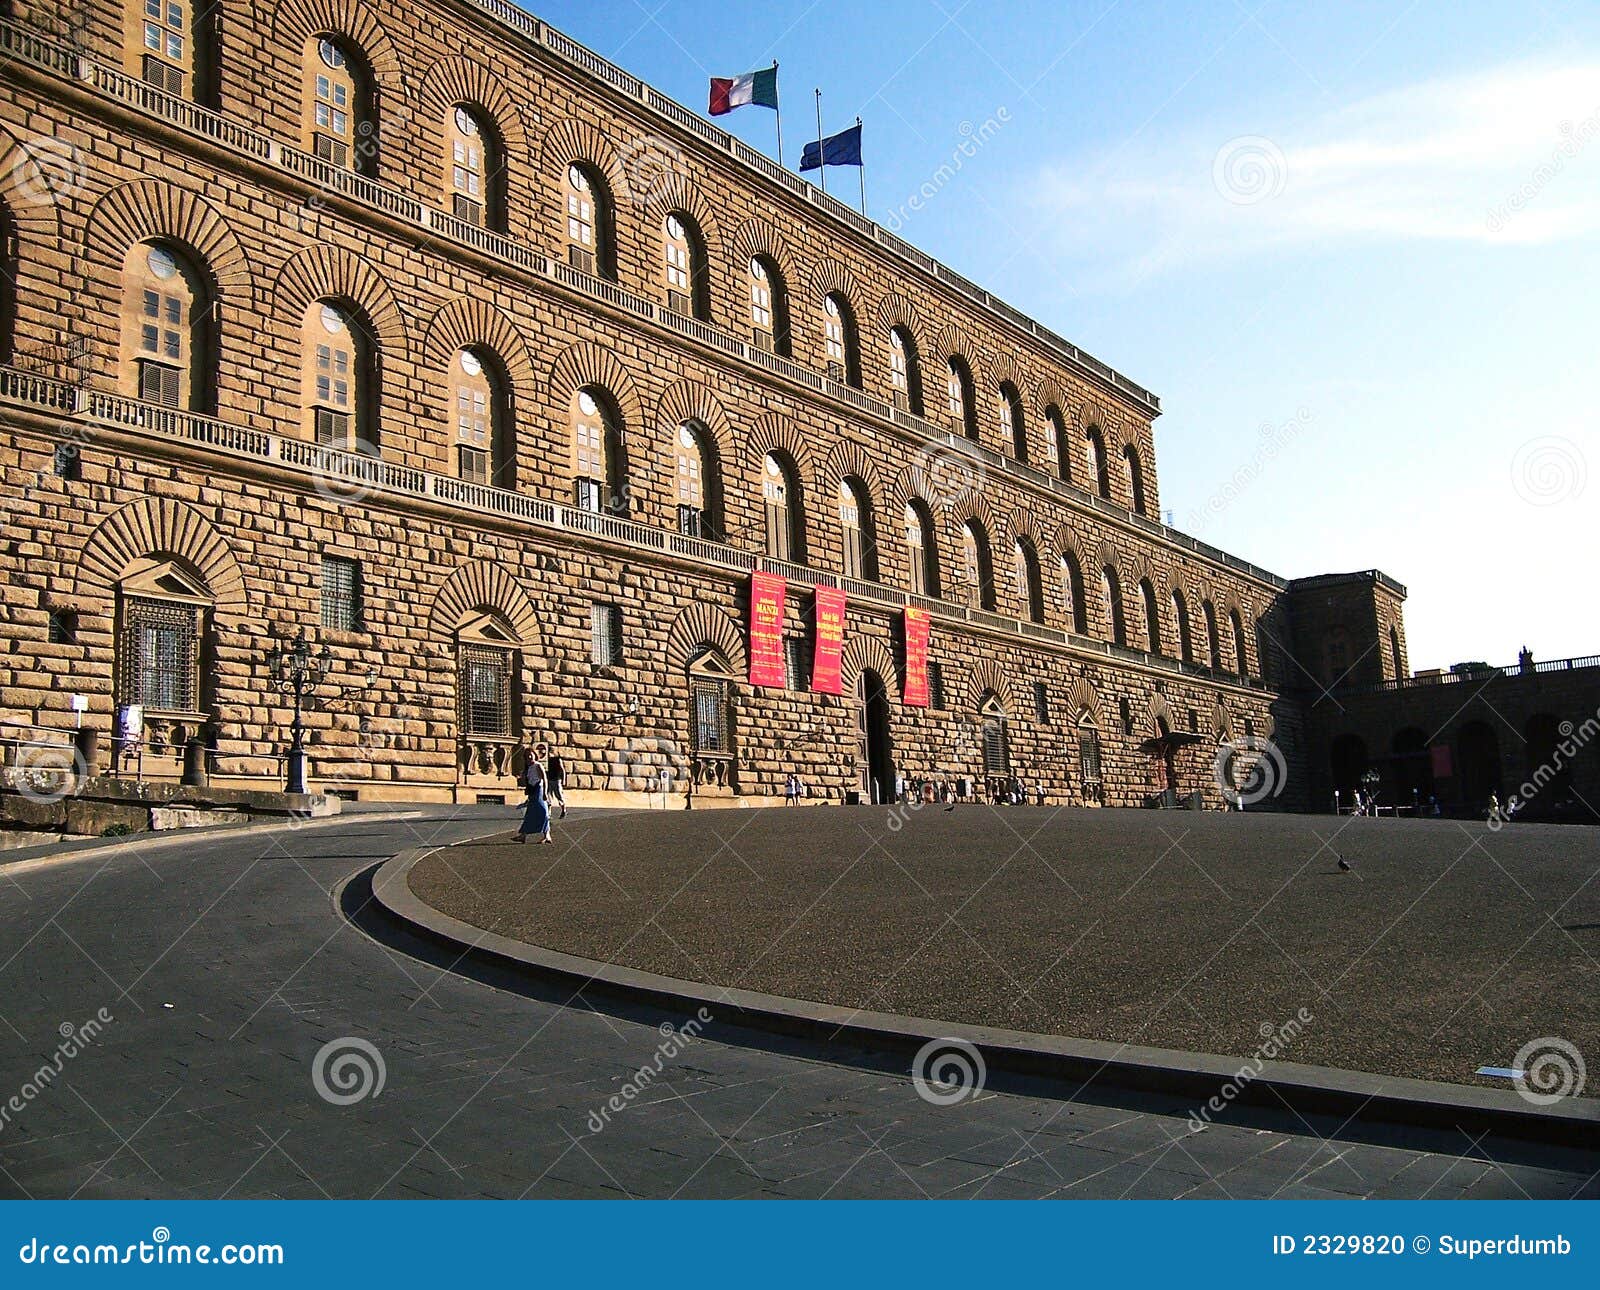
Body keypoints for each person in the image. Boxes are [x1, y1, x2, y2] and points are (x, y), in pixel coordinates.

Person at [516, 742, 552, 844]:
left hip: (539, 790)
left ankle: (547, 835)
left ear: (535, 755)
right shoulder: (528, 768)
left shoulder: (538, 765)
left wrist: (545, 793)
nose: (529, 757)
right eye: (527, 756)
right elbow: (527, 781)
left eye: (530, 755)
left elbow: (544, 779)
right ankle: (523, 835)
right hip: (532, 791)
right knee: (530, 814)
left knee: (543, 811)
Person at [546, 747, 567, 819]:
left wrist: (564, 780)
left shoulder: (557, 759)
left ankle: (563, 810)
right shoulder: (545, 760)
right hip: (548, 780)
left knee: (559, 795)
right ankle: (548, 814)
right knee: (548, 796)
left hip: (556, 780)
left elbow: (562, 770)